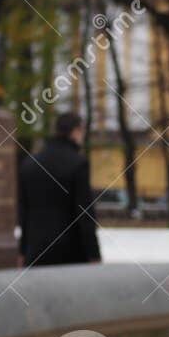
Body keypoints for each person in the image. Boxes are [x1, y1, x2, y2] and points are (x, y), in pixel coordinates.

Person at [18, 112, 102, 267]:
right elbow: (85, 214)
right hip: (71, 253)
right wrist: (94, 254)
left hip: (36, 251)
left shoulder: (30, 164)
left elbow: (24, 213)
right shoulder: (78, 163)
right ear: (76, 131)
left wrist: (22, 251)